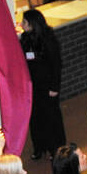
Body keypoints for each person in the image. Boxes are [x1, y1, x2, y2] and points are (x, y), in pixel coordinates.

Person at [18, 9, 64, 159]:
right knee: (35, 117)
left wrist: (54, 87)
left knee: (51, 116)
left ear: (32, 24)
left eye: (24, 22)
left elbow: (56, 64)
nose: (21, 24)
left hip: (47, 86)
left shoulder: (48, 40)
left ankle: (56, 147)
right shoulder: (24, 39)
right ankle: (40, 147)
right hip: (33, 86)